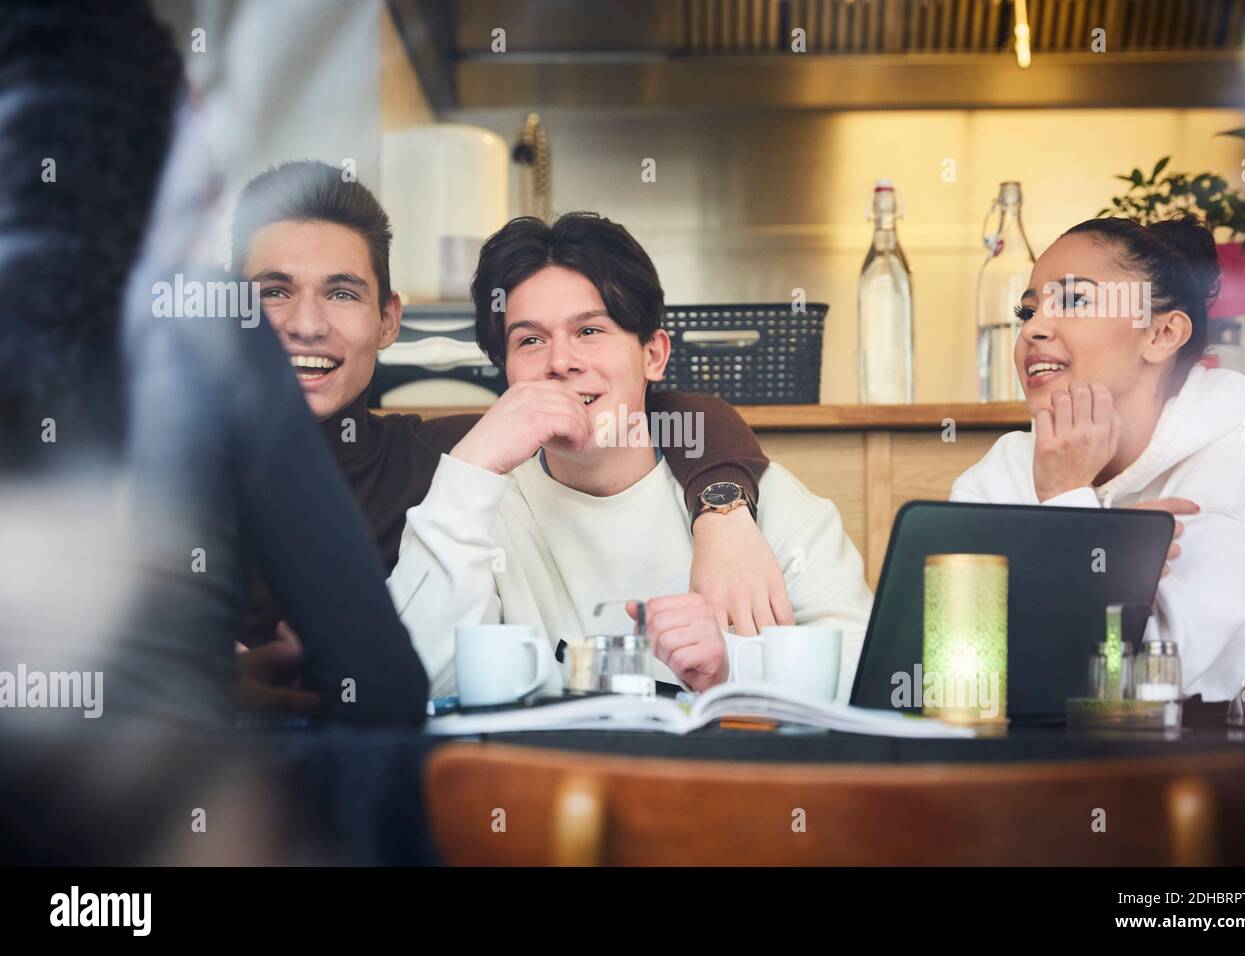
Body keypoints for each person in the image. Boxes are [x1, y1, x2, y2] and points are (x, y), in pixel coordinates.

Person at [0, 0, 427, 728]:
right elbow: (382, 688)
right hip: (160, 814)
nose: (304, 323)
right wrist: (195, 684)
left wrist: (216, 680)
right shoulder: (204, 329)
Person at [228, 161, 795, 689]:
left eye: (342, 292)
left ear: (388, 319)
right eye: (274, 292)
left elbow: (651, 411)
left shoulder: (435, 457)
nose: (305, 323)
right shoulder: (159, 476)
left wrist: (722, 511)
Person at [388, 212, 873, 699]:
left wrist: (733, 667)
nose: (560, 362)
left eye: (590, 331)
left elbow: (866, 672)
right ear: (508, 371)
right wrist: (471, 467)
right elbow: (418, 681)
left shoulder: (758, 505)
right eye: (530, 340)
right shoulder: (478, 510)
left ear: (653, 355)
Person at [950, 215, 1245, 701]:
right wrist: (1108, 559)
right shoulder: (1000, 471)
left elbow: (1139, 683)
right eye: (1026, 313)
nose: (1034, 330)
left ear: (1161, 334)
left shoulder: (1233, 455)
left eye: (1074, 301)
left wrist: (1066, 503)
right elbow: (955, 671)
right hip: (1029, 762)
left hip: (1201, 765)